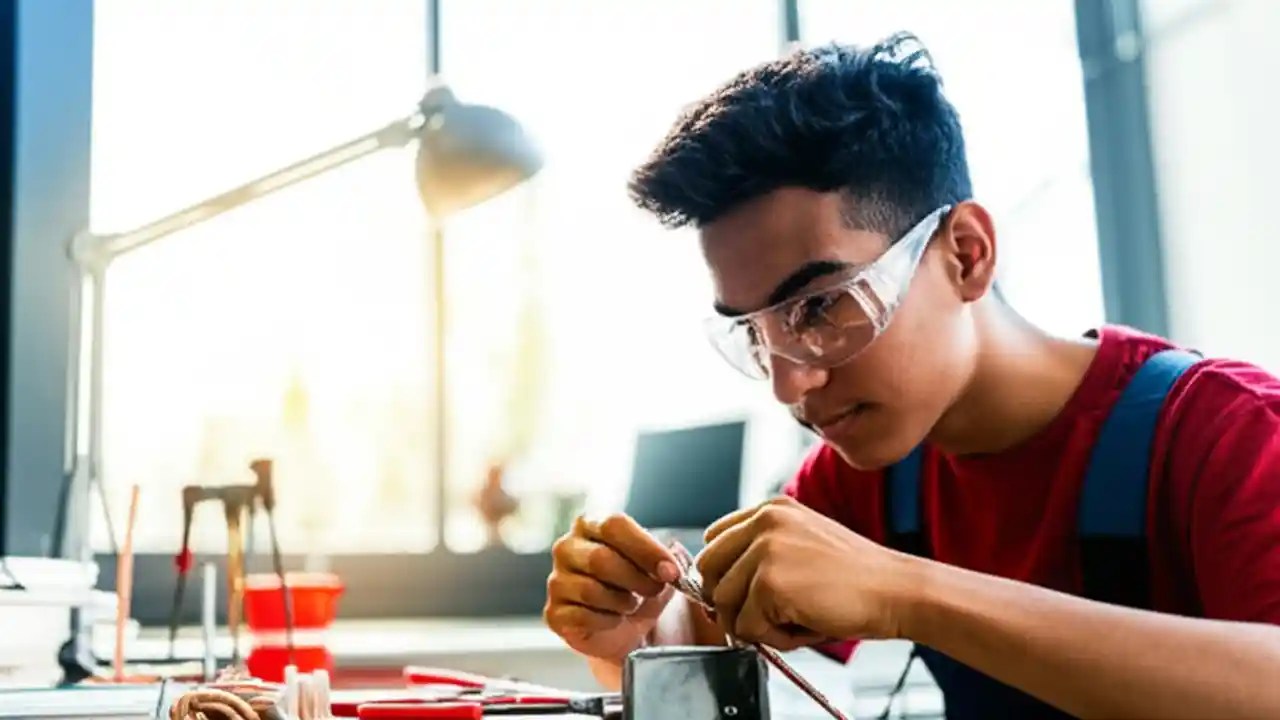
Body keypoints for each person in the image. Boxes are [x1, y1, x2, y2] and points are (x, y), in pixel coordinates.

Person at [543, 33, 1280, 720]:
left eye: (824, 305)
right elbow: (708, 637)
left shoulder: (1225, 433)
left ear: (965, 253)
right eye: (756, 335)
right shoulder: (868, 470)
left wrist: (910, 592)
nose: (790, 386)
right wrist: (638, 623)